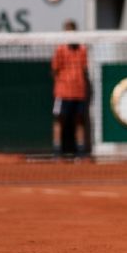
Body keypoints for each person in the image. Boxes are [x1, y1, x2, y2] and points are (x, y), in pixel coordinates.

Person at [50, 20, 89, 158]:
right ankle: (57, 151)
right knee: (59, 120)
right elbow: (54, 69)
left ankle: (80, 151)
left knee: (79, 121)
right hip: (62, 92)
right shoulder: (60, 49)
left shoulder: (82, 49)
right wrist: (62, 82)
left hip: (79, 92)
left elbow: (85, 69)